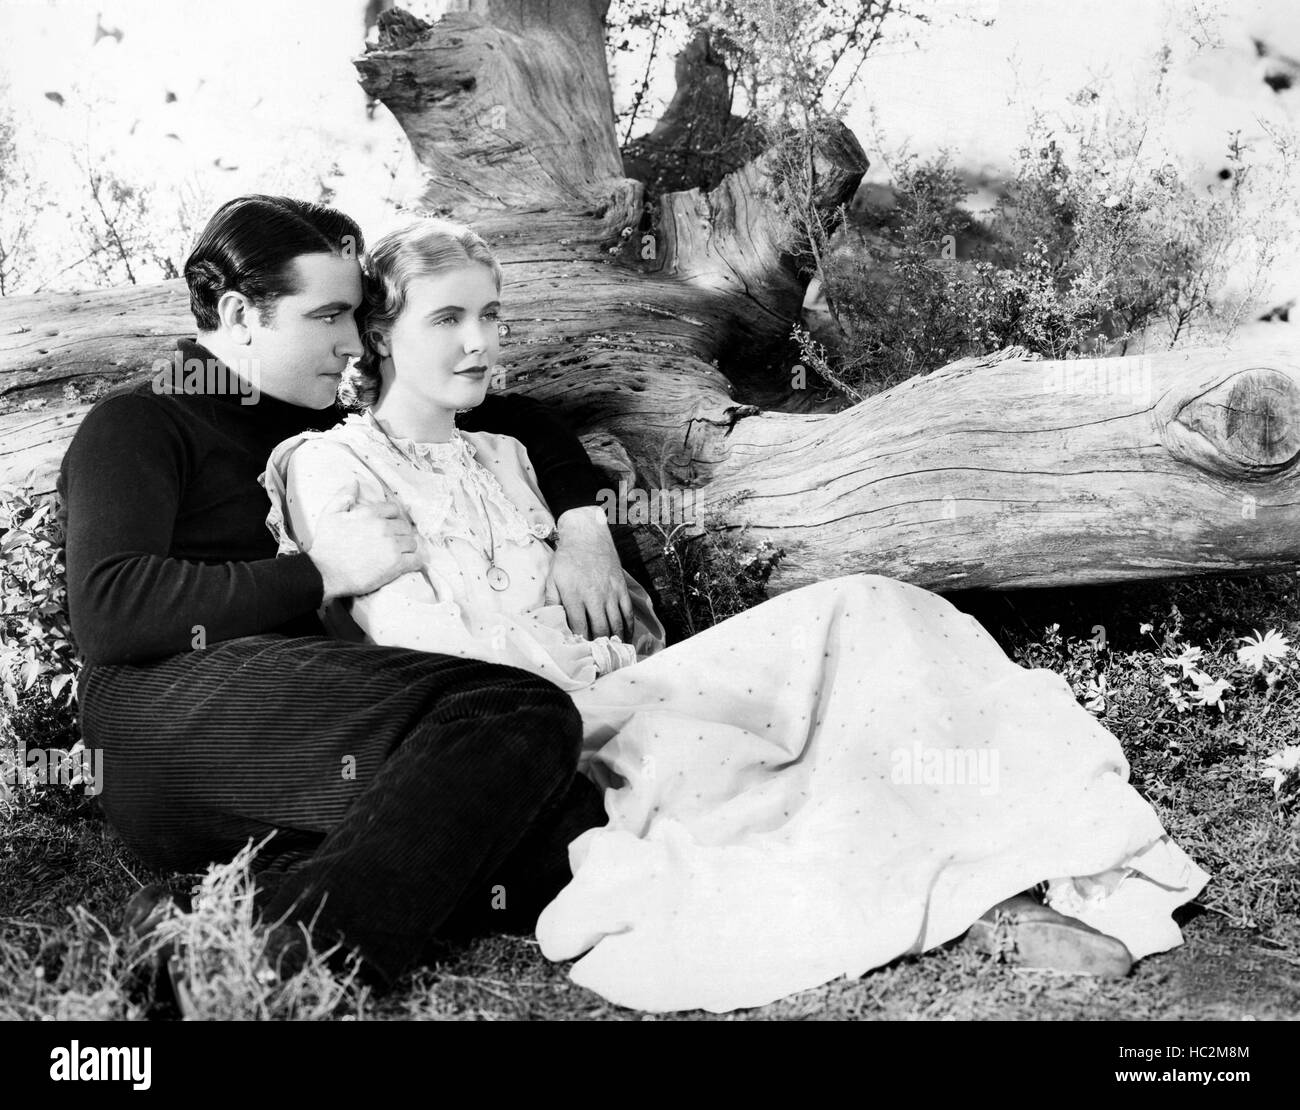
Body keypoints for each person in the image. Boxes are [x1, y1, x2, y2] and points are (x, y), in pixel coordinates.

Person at [262, 216, 1211, 1014]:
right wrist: (587, 691)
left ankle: (1022, 860)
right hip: (515, 739)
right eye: (449, 319)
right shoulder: (331, 465)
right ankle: (987, 902)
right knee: (768, 771)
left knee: (868, 612)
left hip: (612, 685)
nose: (481, 343)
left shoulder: (509, 456)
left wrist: (604, 581)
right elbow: (429, 663)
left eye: (493, 315)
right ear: (380, 335)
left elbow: (610, 620)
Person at [58, 194, 631, 987]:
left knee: (560, 824)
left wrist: (582, 522)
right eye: (328, 315)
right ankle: (292, 963)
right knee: (517, 708)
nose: (352, 339)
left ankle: (207, 938)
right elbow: (110, 611)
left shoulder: (321, 422)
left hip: (311, 738)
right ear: (238, 312)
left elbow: (519, 417)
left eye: (359, 316)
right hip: (164, 719)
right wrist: (322, 572)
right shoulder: (142, 422)